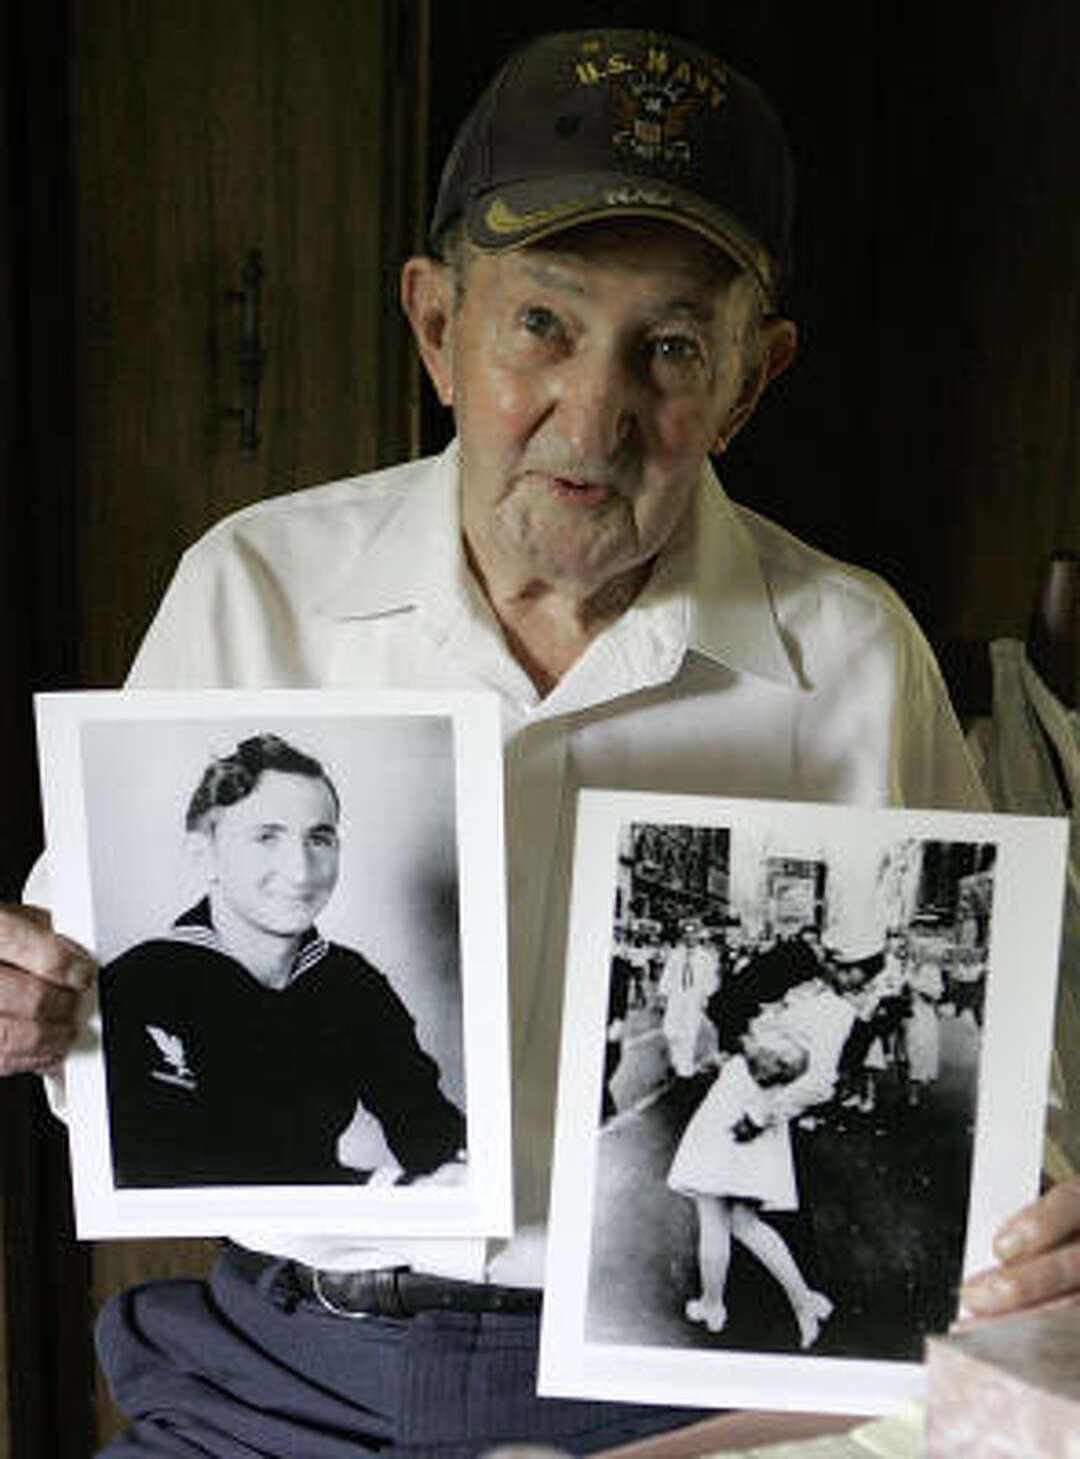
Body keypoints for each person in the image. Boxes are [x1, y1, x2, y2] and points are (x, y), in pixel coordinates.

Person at [0, 25, 1078, 1456]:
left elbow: (1021, 1116)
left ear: (751, 382)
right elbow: (80, 1020)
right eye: (542, 326)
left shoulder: (854, 653)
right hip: (286, 1367)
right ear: (437, 325)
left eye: (672, 348)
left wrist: (1038, 1222)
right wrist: (31, 1007)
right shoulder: (252, 585)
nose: (596, 413)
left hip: (674, 1392)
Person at [99, 732, 466, 1187]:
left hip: (331, 1227)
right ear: (203, 855)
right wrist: (384, 1187)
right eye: (267, 837)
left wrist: (452, 1173)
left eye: (319, 838)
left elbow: (428, 1128)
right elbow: (148, 1177)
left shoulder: (351, 986)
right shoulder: (134, 987)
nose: (300, 870)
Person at [668, 1026, 833, 1348]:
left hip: (729, 1121)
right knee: (745, 1224)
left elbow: (766, 1057)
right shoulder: (808, 1025)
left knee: (714, 1222)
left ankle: (713, 1307)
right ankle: (801, 1301)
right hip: (756, 1123)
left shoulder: (780, 1028)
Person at [658, 918, 721, 1077]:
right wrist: (663, 994)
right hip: (676, 997)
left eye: (693, 934)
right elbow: (667, 975)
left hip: (694, 999)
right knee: (670, 1031)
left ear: (698, 936)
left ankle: (685, 1069)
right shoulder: (675, 955)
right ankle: (677, 1060)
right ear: (683, 936)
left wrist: (707, 996)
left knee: (689, 1032)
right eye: (686, 934)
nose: (689, 937)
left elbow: (711, 979)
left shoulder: (705, 957)